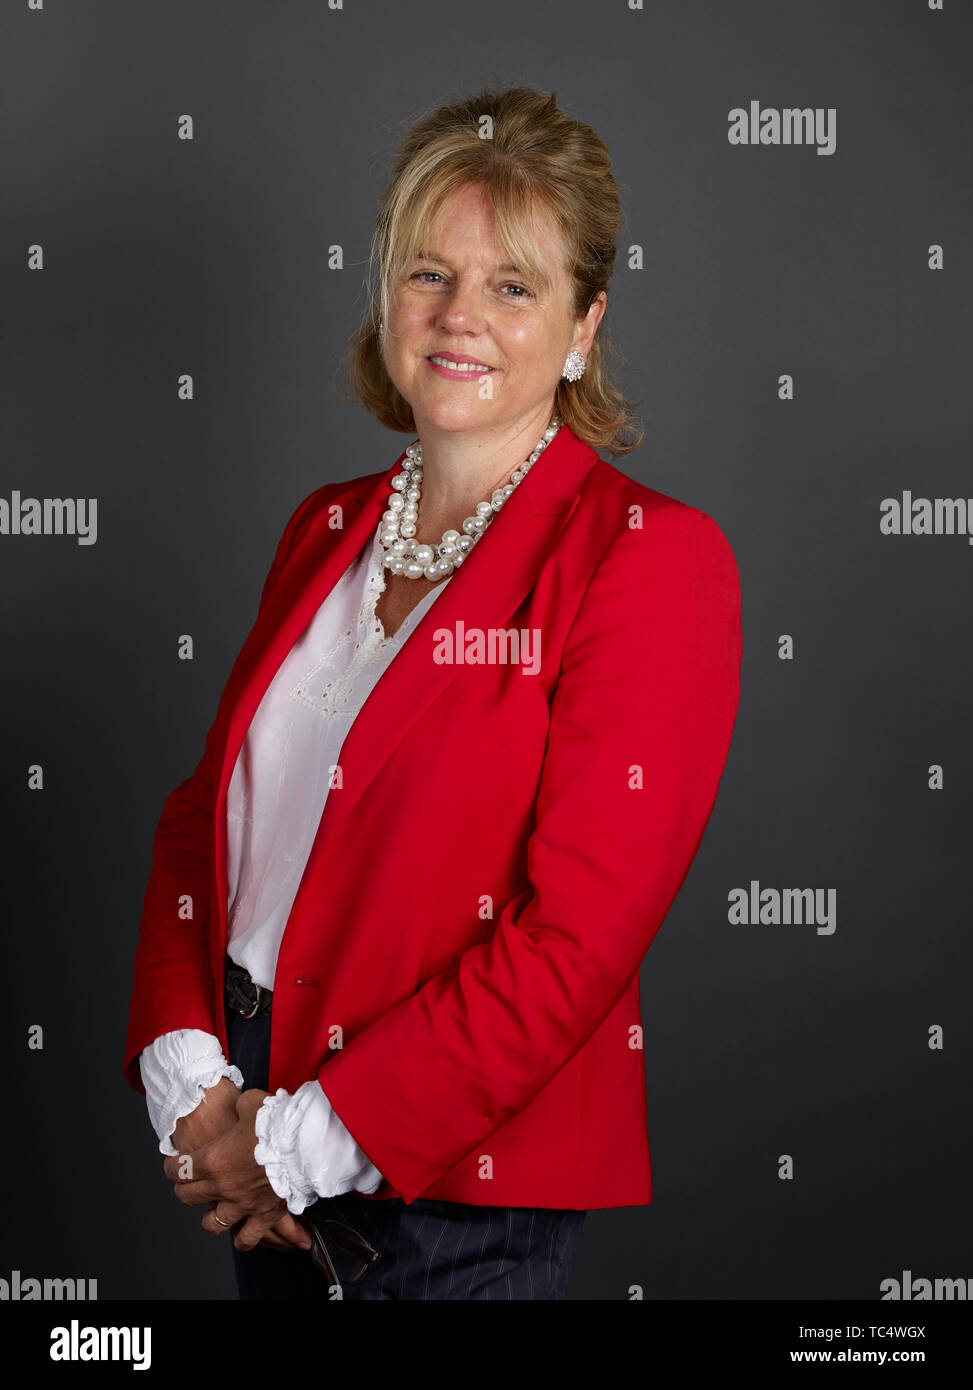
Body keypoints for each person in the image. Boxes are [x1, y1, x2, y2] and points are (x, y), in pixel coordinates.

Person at [123, 83, 742, 1301]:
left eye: (513, 285)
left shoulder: (646, 555)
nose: (460, 317)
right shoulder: (328, 526)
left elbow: (577, 940)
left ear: (582, 326)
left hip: (455, 1177)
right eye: (427, 275)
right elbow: (210, 815)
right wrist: (191, 1073)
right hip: (254, 1101)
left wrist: (306, 1143)